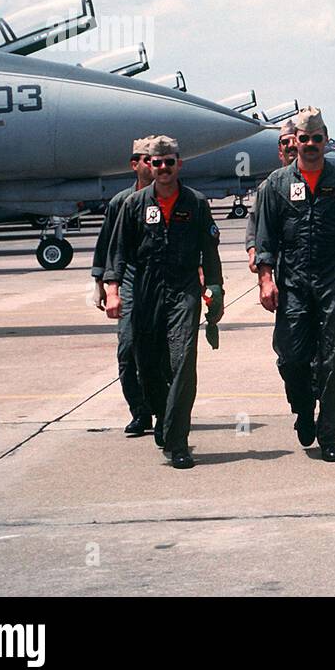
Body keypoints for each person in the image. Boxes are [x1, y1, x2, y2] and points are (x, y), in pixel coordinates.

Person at [254, 107, 335, 462]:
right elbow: (265, 237)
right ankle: (303, 409)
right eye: (303, 139)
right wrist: (266, 280)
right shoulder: (276, 185)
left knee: (332, 358)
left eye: (317, 139)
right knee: (291, 356)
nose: (310, 145)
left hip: (332, 280)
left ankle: (329, 434)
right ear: (295, 142)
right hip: (291, 281)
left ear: (326, 141)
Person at [104, 136, 224, 469]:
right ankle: (162, 415)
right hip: (145, 293)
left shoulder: (196, 203)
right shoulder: (134, 205)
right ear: (149, 166)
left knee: (183, 360)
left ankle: (178, 440)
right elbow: (118, 253)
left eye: (169, 162)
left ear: (179, 164)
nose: (163, 168)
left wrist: (215, 290)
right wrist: (112, 290)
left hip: (183, 291)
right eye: (157, 163)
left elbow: (209, 252)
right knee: (148, 365)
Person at [91, 136, 154, 436]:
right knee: (128, 349)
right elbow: (106, 245)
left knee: (163, 352)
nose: (153, 165)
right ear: (135, 164)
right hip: (128, 280)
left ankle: (166, 407)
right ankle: (140, 412)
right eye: (146, 159)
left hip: (161, 282)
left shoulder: (175, 199)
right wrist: (100, 283)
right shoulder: (121, 203)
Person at [246, 120, 297, 273]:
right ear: (280, 151)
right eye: (286, 142)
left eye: (295, 140)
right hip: (283, 263)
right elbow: (255, 221)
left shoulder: (315, 183)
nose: (291, 145)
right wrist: (253, 251)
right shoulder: (268, 186)